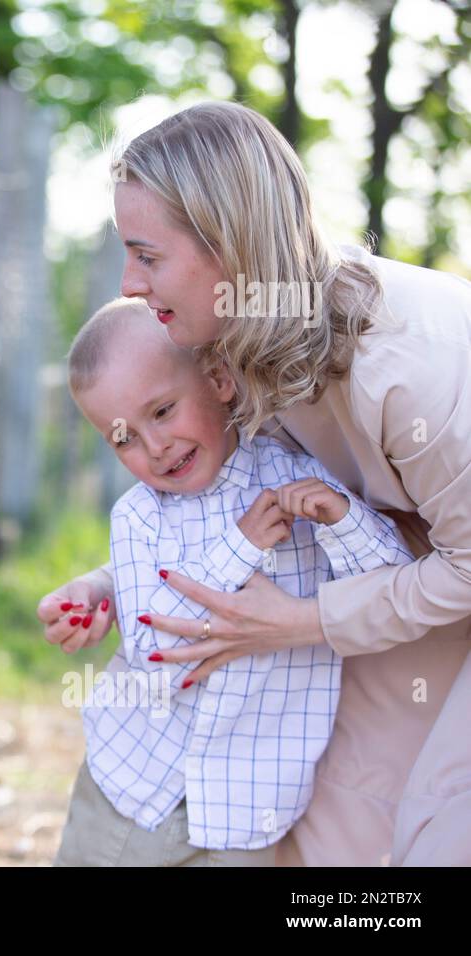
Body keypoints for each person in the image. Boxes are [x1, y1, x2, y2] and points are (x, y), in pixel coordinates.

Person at [40, 101, 471, 866]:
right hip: (409, 569)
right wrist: (117, 578)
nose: (129, 283)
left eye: (146, 255)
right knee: (338, 830)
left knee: (443, 829)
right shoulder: (230, 348)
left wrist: (306, 623)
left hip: (450, 567)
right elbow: (218, 514)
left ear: (226, 244)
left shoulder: (417, 374)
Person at [52, 297, 410, 866]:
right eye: (123, 438)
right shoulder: (139, 518)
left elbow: (390, 591)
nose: (155, 447)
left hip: (251, 802)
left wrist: (344, 520)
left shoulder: (295, 476)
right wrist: (238, 547)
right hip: (134, 785)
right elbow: (153, 655)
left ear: (219, 380)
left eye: (163, 411)